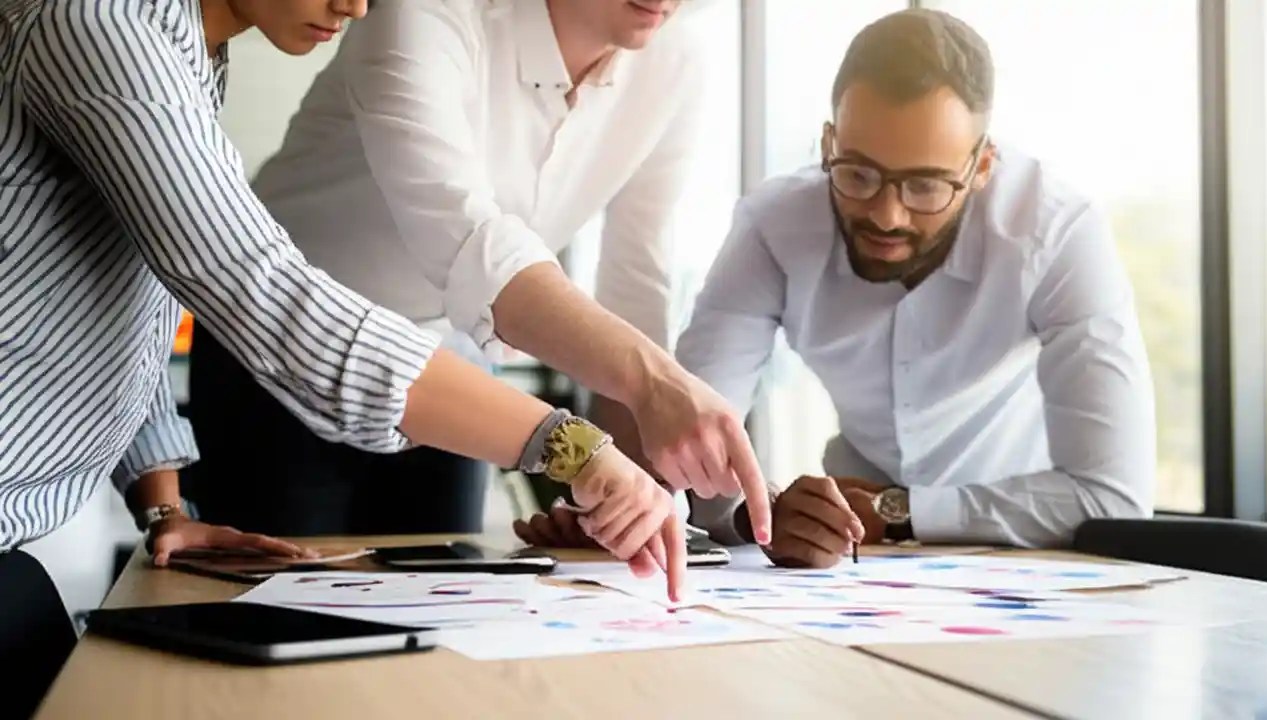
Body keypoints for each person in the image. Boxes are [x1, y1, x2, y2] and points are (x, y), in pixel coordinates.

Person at [0, 0, 766, 713]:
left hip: (419, 369)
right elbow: (262, 292)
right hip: (287, 372)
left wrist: (162, 497)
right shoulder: (102, 31)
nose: (359, 5)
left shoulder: (187, 53)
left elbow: (124, 290)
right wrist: (570, 445)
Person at [517, 8, 1157, 567]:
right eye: (858, 173)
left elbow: (1112, 496)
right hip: (855, 551)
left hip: (1025, 548)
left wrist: (900, 511)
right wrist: (756, 514)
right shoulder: (774, 227)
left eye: (927, 186)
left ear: (982, 166)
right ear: (829, 141)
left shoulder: (1057, 234)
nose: (888, 215)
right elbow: (693, 444)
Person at [181, 0, 770, 541]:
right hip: (279, 350)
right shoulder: (426, 10)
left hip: (451, 371)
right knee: (279, 617)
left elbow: (636, 282)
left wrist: (632, 499)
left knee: (436, 614)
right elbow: (469, 243)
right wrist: (654, 382)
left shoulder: (678, 56)